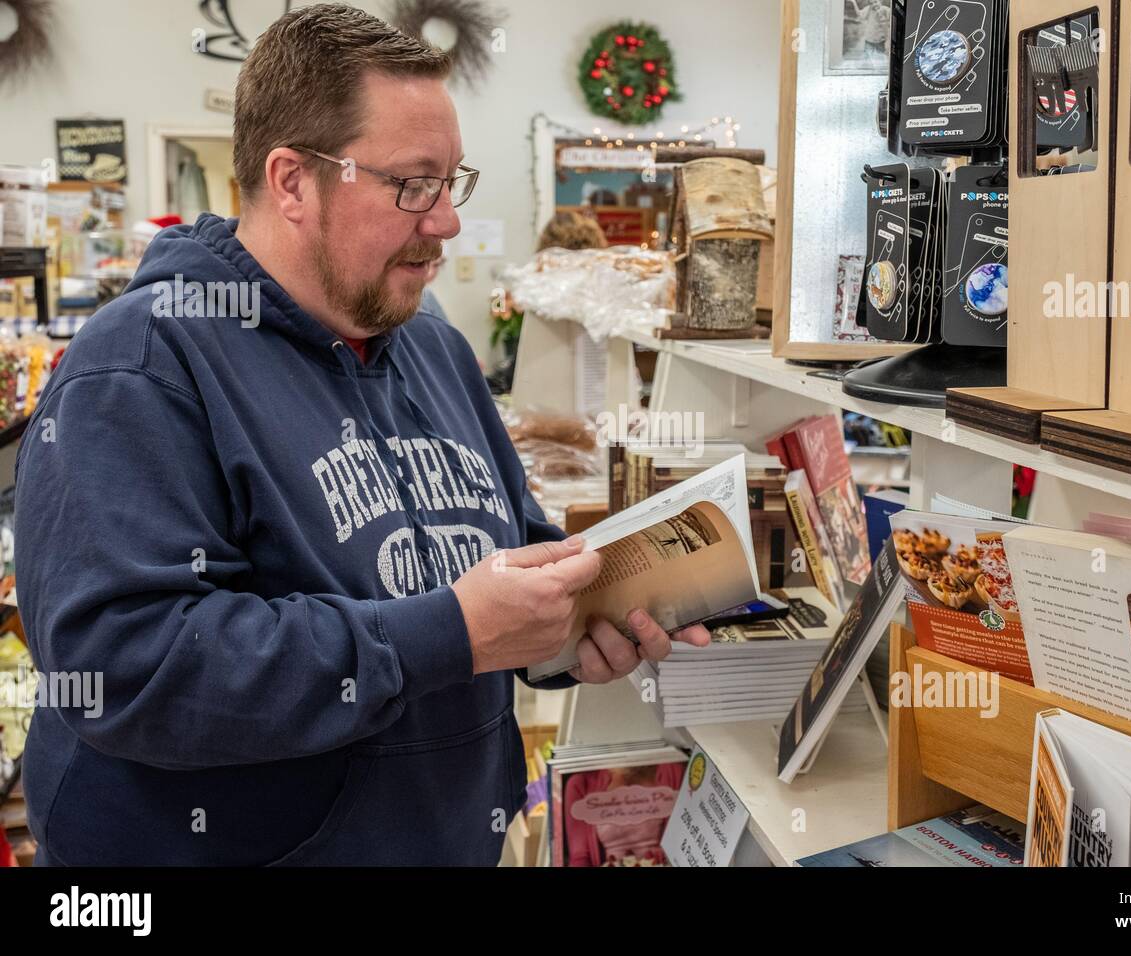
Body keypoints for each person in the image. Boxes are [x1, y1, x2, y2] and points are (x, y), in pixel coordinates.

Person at [14, 4, 707, 867]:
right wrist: (447, 634)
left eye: (453, 183)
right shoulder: (140, 365)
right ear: (293, 181)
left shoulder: (434, 346)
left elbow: (503, 551)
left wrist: (574, 628)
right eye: (413, 185)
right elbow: (128, 669)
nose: (446, 221)